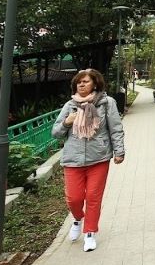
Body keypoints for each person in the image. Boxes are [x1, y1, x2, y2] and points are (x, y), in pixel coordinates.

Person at [51, 69, 125, 252]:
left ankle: (90, 232)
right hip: (72, 159)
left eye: (85, 81)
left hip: (98, 157)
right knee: (74, 198)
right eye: (79, 82)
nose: (81, 84)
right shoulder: (70, 105)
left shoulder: (107, 103)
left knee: (93, 197)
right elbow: (55, 133)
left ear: (95, 84)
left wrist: (119, 151)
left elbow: (115, 128)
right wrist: (67, 122)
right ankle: (77, 218)